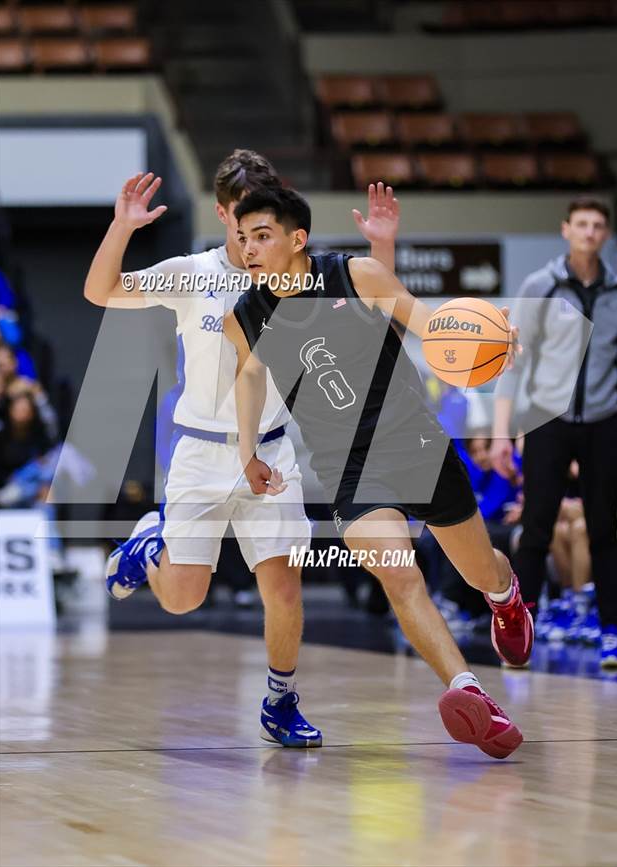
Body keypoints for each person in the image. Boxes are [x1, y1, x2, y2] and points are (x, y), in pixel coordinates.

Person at [83, 149, 399, 747]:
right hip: (200, 452)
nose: (252, 227)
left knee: (283, 588)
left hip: (271, 453)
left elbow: (371, 306)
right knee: (182, 599)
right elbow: (100, 292)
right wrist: (122, 225)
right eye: (241, 215)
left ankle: (281, 703)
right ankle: (151, 541)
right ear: (223, 213)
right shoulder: (193, 273)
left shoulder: (294, 273)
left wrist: (382, 247)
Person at [224, 187, 532, 760]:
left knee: (480, 569)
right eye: (242, 238)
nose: (249, 249)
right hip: (348, 470)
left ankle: (505, 595)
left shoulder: (356, 274)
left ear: (297, 240)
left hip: (416, 446)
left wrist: (492, 337)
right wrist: (248, 452)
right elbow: (247, 377)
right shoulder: (244, 317)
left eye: (262, 235)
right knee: (400, 575)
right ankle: (469, 691)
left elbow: (428, 324)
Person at [491, 196, 617, 669]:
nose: (590, 232)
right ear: (566, 230)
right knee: (536, 526)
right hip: (548, 422)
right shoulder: (542, 287)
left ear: (606, 235)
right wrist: (501, 434)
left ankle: (611, 631)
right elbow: (511, 365)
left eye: (598, 225)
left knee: (604, 530)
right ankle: (523, 630)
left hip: (604, 422)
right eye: (582, 224)